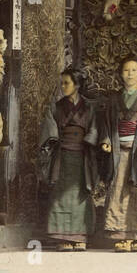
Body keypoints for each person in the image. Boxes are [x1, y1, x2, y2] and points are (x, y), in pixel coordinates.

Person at [98, 57, 137, 252]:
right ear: (120, 74)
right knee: (117, 192)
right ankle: (120, 236)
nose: (130, 74)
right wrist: (106, 141)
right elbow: (106, 125)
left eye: (134, 70)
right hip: (119, 153)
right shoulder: (113, 100)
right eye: (126, 70)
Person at [39, 69, 100, 250]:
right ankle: (62, 237)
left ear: (78, 85)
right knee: (60, 195)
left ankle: (80, 236)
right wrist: (52, 140)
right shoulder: (57, 107)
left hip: (82, 156)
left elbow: (94, 129)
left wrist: (89, 140)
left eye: (67, 83)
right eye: (62, 83)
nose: (63, 86)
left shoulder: (88, 107)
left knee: (81, 195)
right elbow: (50, 128)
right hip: (62, 156)